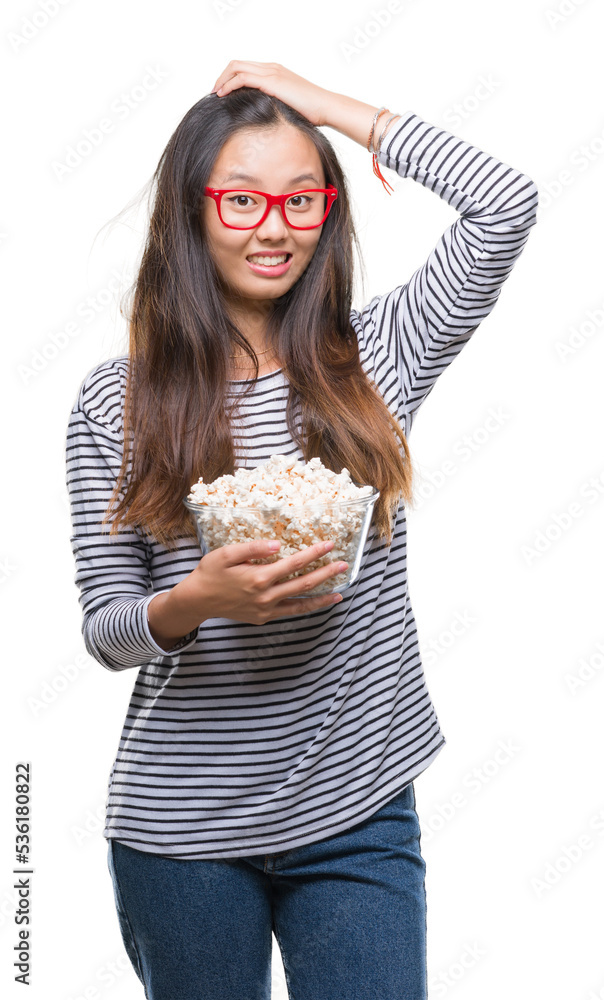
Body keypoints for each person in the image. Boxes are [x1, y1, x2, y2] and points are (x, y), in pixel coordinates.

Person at [65, 60, 538, 1000]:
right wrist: (198, 599)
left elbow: (505, 206)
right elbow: (105, 629)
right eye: (241, 199)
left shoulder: (375, 360)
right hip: (183, 832)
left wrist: (316, 105)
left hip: (359, 809)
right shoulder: (118, 403)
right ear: (192, 211)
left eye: (301, 199)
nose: (274, 225)